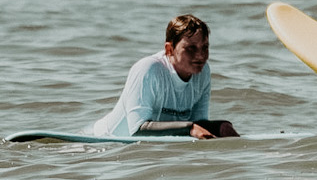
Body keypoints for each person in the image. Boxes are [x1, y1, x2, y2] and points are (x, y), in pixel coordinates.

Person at [90, 13, 241, 138]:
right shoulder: (148, 69)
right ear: (169, 49)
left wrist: (222, 128)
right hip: (103, 142)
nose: (200, 56)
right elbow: (137, 129)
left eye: (205, 47)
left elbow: (199, 125)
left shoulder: (203, 72)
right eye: (191, 48)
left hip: (152, 143)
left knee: (224, 128)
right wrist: (189, 128)